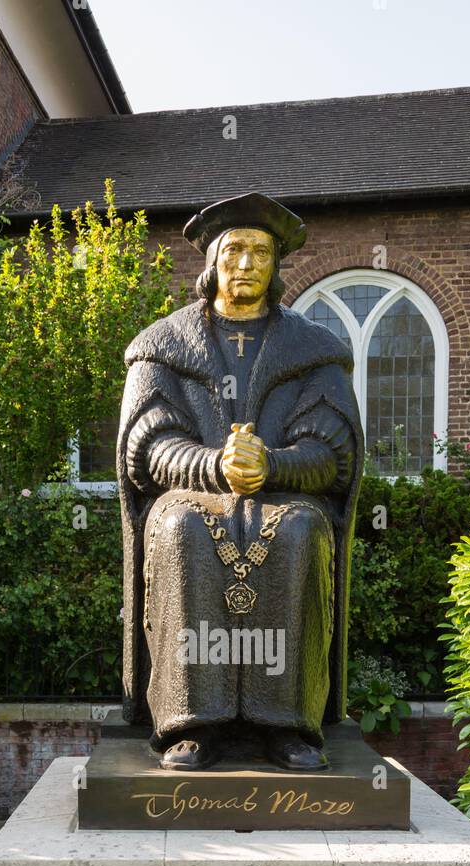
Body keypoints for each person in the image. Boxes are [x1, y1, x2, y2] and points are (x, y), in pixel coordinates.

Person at [117, 191, 363, 771]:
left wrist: (272, 465)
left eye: (260, 252)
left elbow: (332, 446)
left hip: (284, 493)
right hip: (187, 491)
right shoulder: (162, 346)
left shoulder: (315, 351)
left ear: (277, 265)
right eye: (234, 251)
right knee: (181, 527)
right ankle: (193, 722)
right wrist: (212, 466)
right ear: (212, 262)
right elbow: (146, 442)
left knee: (300, 528)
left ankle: (286, 725)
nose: (246, 264)